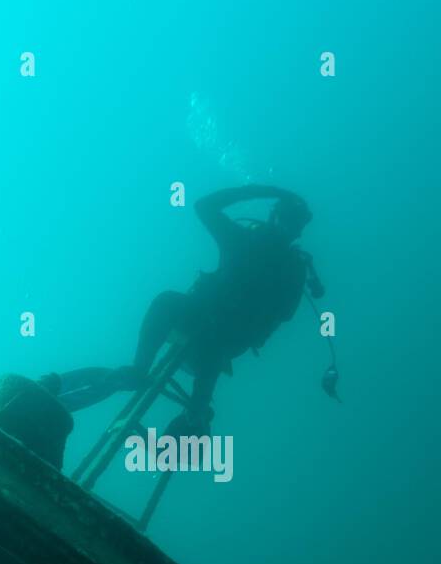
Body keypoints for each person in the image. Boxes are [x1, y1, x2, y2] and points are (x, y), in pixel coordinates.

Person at [55, 185, 324, 435]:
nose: (290, 229)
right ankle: (153, 380)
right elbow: (203, 206)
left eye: (294, 224)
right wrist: (262, 190)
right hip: (212, 335)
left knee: (178, 319)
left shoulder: (268, 255)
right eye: (289, 221)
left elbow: (205, 206)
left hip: (220, 340)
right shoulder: (260, 250)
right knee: (171, 307)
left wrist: (262, 191)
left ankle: (179, 408)